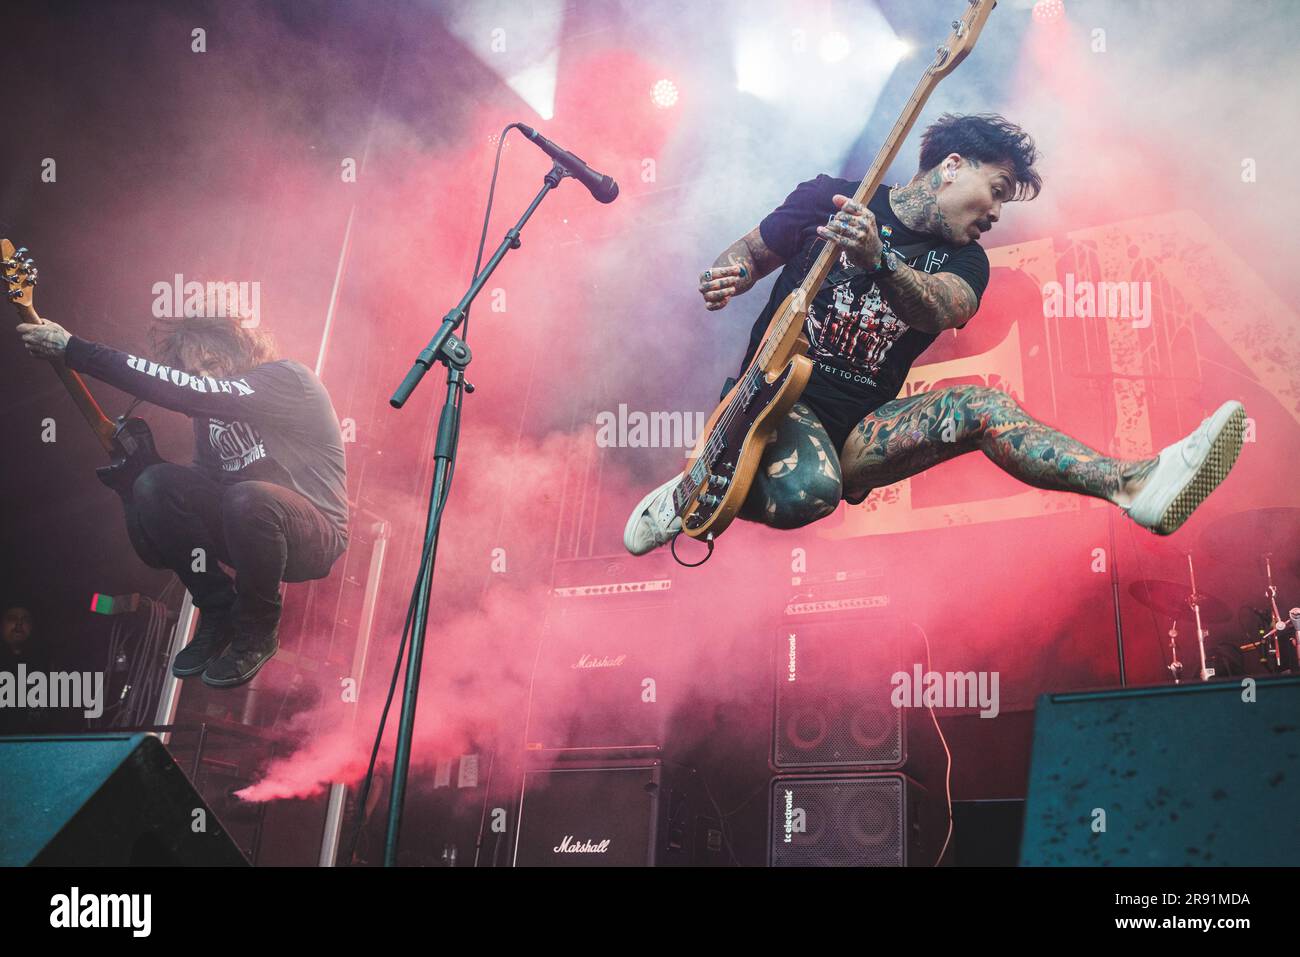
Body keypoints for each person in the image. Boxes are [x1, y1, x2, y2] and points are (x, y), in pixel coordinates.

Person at [624, 113, 1244, 554]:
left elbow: (937, 310)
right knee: (813, 490)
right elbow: (750, 254)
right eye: (996, 191)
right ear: (951, 167)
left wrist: (880, 260)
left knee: (980, 406)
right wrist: (725, 276)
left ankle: (1133, 484)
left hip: (861, 430)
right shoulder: (831, 199)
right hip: (775, 396)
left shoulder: (968, 262)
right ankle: (697, 487)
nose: (997, 213)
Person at [17, 310, 349, 688]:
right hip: (247, 530)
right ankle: (218, 609)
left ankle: (257, 627)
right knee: (155, 483)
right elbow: (161, 550)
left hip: (314, 536)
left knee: (247, 498)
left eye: (210, 363)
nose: (204, 376)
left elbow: (190, 393)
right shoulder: (209, 420)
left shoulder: (287, 379)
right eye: (196, 371)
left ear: (240, 348)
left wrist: (77, 350)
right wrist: (136, 488)